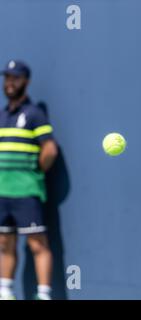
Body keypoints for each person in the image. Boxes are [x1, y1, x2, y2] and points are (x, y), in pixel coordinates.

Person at [0, 60, 58, 300]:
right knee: (4, 243)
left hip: (26, 192)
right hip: (3, 192)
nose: (10, 83)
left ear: (26, 81)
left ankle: (43, 295)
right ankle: (5, 292)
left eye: (16, 78)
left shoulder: (34, 114)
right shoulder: (2, 115)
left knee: (37, 244)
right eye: (7, 78)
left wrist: (35, 172)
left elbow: (50, 150)